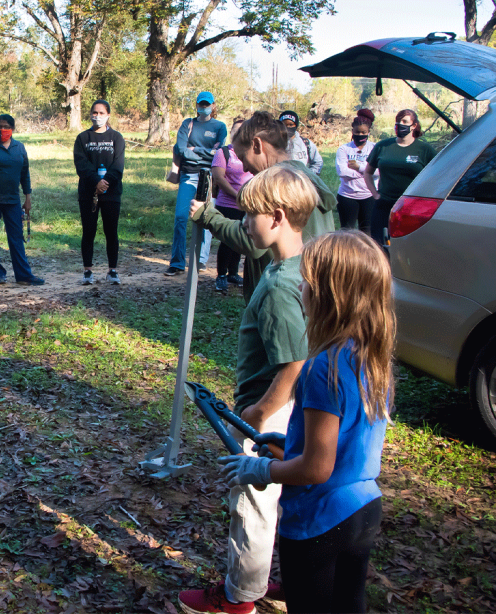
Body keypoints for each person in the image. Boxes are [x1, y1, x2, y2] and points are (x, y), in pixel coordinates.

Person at [219, 230, 393, 614]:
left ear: (328, 294)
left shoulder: (322, 368)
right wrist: (288, 445)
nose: (300, 287)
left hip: (321, 521)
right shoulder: (369, 356)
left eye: (307, 280)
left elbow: (317, 468)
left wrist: (261, 468)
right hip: (363, 509)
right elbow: (341, 445)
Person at [178, 165, 318, 614]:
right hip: (289, 411)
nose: (242, 223)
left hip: (270, 413)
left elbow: (293, 363)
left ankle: (239, 598)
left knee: (252, 504)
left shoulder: (279, 286)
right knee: (279, 503)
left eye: (248, 215)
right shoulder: (301, 265)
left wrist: (256, 415)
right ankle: (281, 582)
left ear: (276, 217)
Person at [189, 111, 337, 304]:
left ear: (257, 145)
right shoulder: (306, 176)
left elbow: (251, 242)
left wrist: (207, 215)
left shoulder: (275, 185)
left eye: (243, 157)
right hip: (313, 292)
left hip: (280, 295)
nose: (243, 168)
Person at [0, 114, 44, 286]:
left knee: (16, 237)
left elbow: (25, 175)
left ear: (12, 129)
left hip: (13, 201)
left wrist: (27, 198)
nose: (2, 130)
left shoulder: (19, 148)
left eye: (6, 126)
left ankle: (23, 275)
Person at [165, 91, 227, 276]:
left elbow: (218, 153)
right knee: (181, 218)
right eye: (201, 104)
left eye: (207, 104)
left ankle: (200, 260)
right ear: (197, 105)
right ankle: (177, 262)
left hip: (209, 177)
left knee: (205, 219)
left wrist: (196, 150)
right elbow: (182, 150)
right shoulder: (188, 124)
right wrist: (204, 152)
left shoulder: (220, 126)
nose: (204, 107)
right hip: (188, 175)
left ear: (213, 106)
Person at [363, 109, 436, 248]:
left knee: (409, 247)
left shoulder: (424, 149)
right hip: (384, 205)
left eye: (404, 122)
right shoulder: (383, 146)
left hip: (411, 208)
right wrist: (375, 194)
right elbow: (368, 173)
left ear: (414, 125)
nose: (399, 125)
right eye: (397, 122)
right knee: (379, 246)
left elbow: (438, 176)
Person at [73, 99, 126, 284]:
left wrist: (106, 183)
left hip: (112, 193)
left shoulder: (117, 138)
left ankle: (112, 270)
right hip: (88, 193)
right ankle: (88, 271)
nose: (97, 116)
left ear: (108, 115)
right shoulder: (82, 138)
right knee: (89, 231)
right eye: (94, 113)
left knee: (111, 231)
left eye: (101, 113)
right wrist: (96, 181)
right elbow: (81, 164)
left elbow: (118, 166)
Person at [210, 118, 253, 293]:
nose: (239, 133)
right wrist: (238, 196)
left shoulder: (251, 152)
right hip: (228, 203)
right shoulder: (223, 153)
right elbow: (219, 178)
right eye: (236, 130)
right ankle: (221, 275)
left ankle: (233, 273)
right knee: (228, 240)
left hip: (247, 204)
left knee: (241, 240)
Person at [335, 110, 378, 232]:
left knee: (367, 231)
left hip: (368, 196)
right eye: (357, 132)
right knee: (347, 232)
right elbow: (342, 172)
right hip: (347, 196)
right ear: (352, 131)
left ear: (369, 132)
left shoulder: (374, 148)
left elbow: (379, 171)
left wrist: (359, 167)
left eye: (364, 132)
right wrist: (368, 171)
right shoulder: (344, 149)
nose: (360, 134)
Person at [279, 110, 323, 175]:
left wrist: (309, 175)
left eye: (291, 124)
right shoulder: (276, 144)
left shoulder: (306, 143)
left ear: (296, 125)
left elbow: (317, 162)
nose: (287, 127)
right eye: (284, 125)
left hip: (302, 181)